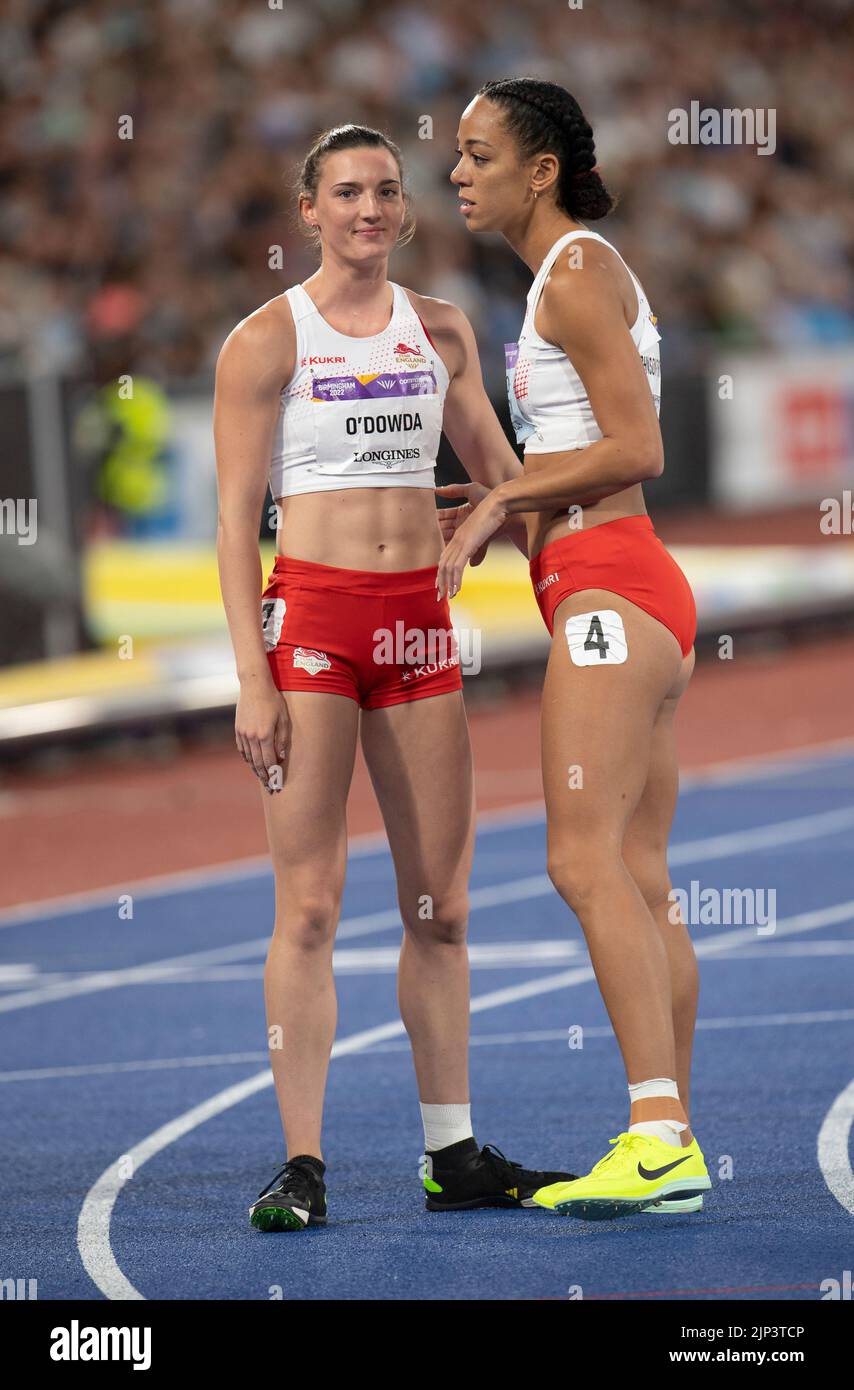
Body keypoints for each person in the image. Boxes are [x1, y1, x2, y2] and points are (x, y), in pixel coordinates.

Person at [213, 123, 576, 1231]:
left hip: (417, 628)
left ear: (405, 208)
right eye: (344, 193)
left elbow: (505, 480)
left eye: (384, 191)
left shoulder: (445, 330)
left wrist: (520, 559)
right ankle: (303, 1163)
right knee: (311, 906)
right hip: (313, 623)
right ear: (309, 211)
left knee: (444, 905)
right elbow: (232, 522)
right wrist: (252, 677)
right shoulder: (267, 340)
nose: (367, 209)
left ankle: (450, 1152)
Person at [436, 79, 711, 1220]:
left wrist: (501, 500)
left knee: (579, 859)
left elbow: (637, 445)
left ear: (539, 170)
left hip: (610, 588)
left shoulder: (580, 272)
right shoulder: (562, 279)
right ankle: (671, 1141)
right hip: (614, 585)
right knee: (638, 881)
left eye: (476, 153)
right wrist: (503, 497)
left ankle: (654, 1132)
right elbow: (579, 450)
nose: (454, 172)